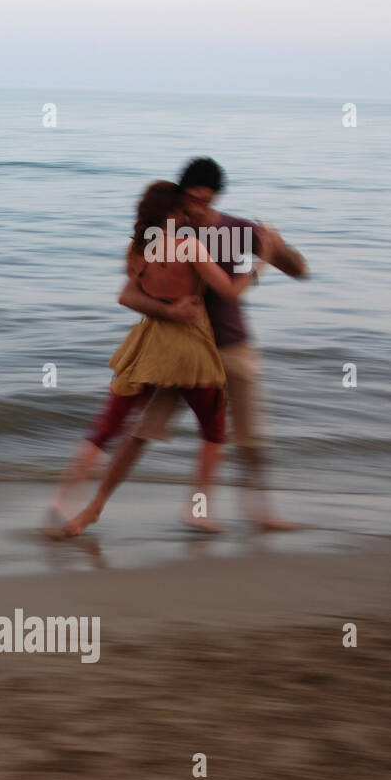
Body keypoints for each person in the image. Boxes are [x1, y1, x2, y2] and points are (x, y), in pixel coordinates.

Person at [59, 180, 263, 538]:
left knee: (117, 424)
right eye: (183, 210)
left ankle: (85, 506)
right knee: (214, 432)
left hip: (148, 347)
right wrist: (260, 266)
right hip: (191, 353)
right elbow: (229, 291)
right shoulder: (190, 248)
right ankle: (198, 512)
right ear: (173, 213)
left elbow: (128, 296)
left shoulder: (137, 252)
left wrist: (166, 306)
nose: (187, 215)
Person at [118, 158, 309, 530]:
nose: (198, 209)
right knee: (144, 431)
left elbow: (300, 271)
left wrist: (277, 249)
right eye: (192, 200)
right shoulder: (165, 234)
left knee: (250, 437)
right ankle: (95, 503)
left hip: (233, 345)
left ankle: (257, 511)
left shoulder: (236, 230)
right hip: (181, 349)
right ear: (179, 196)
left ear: (216, 198)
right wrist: (170, 312)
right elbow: (131, 293)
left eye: (207, 201)